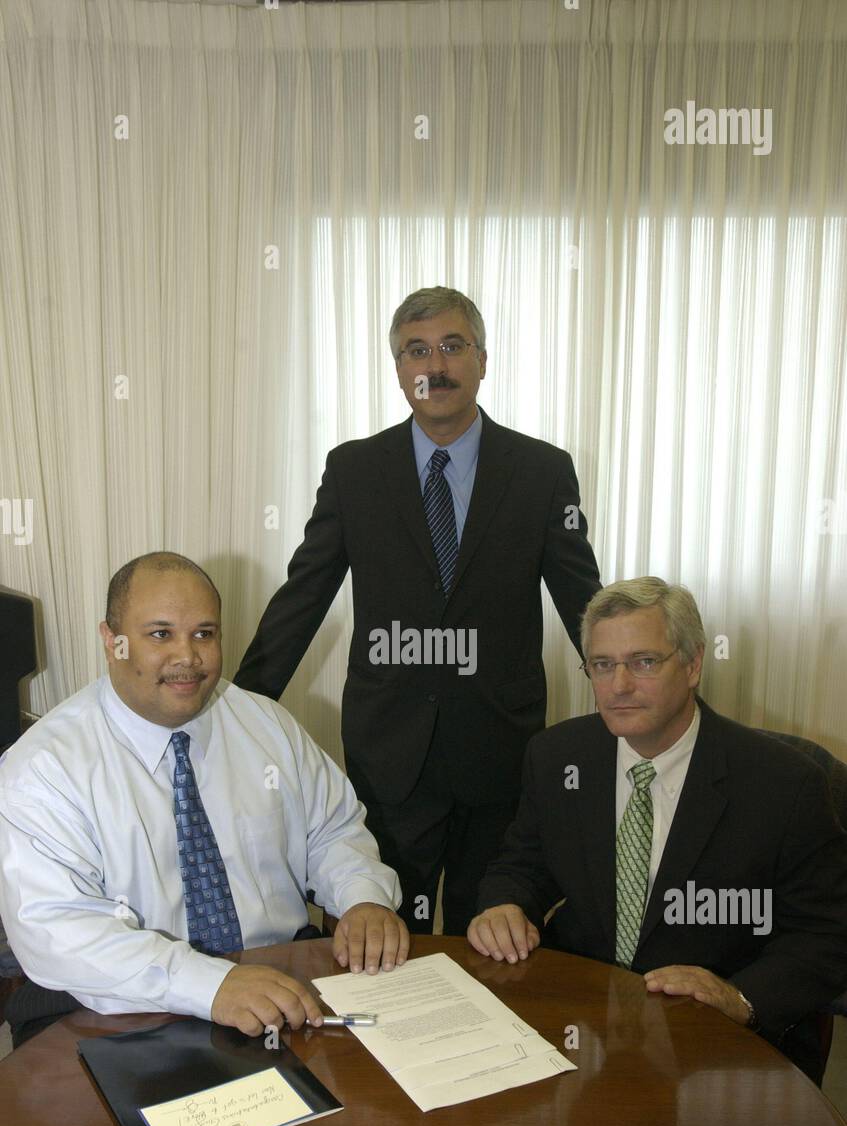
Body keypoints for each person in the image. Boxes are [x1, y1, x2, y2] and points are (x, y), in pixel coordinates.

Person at [233, 286, 601, 935]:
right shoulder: (354, 470)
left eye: (452, 346)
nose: (435, 365)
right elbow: (304, 592)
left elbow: (581, 600)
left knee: (488, 939)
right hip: (388, 755)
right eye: (415, 350)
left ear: (482, 359)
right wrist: (237, 707)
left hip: (499, 750)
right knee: (379, 938)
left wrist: (627, 684)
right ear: (399, 369)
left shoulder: (541, 472)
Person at [0, 552, 407, 1047]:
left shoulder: (267, 726)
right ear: (112, 642)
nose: (187, 657)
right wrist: (209, 985)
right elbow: (57, 930)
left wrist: (362, 897)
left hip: (275, 979)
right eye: (160, 634)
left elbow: (332, 831)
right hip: (114, 1003)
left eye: (204, 633)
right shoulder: (44, 767)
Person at [468, 577, 847, 1083]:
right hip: (581, 1020)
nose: (619, 685)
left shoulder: (785, 783)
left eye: (644, 661)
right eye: (603, 665)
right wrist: (504, 905)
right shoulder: (558, 756)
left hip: (715, 1040)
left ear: (693, 665)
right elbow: (524, 863)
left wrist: (740, 998)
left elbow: (825, 932)